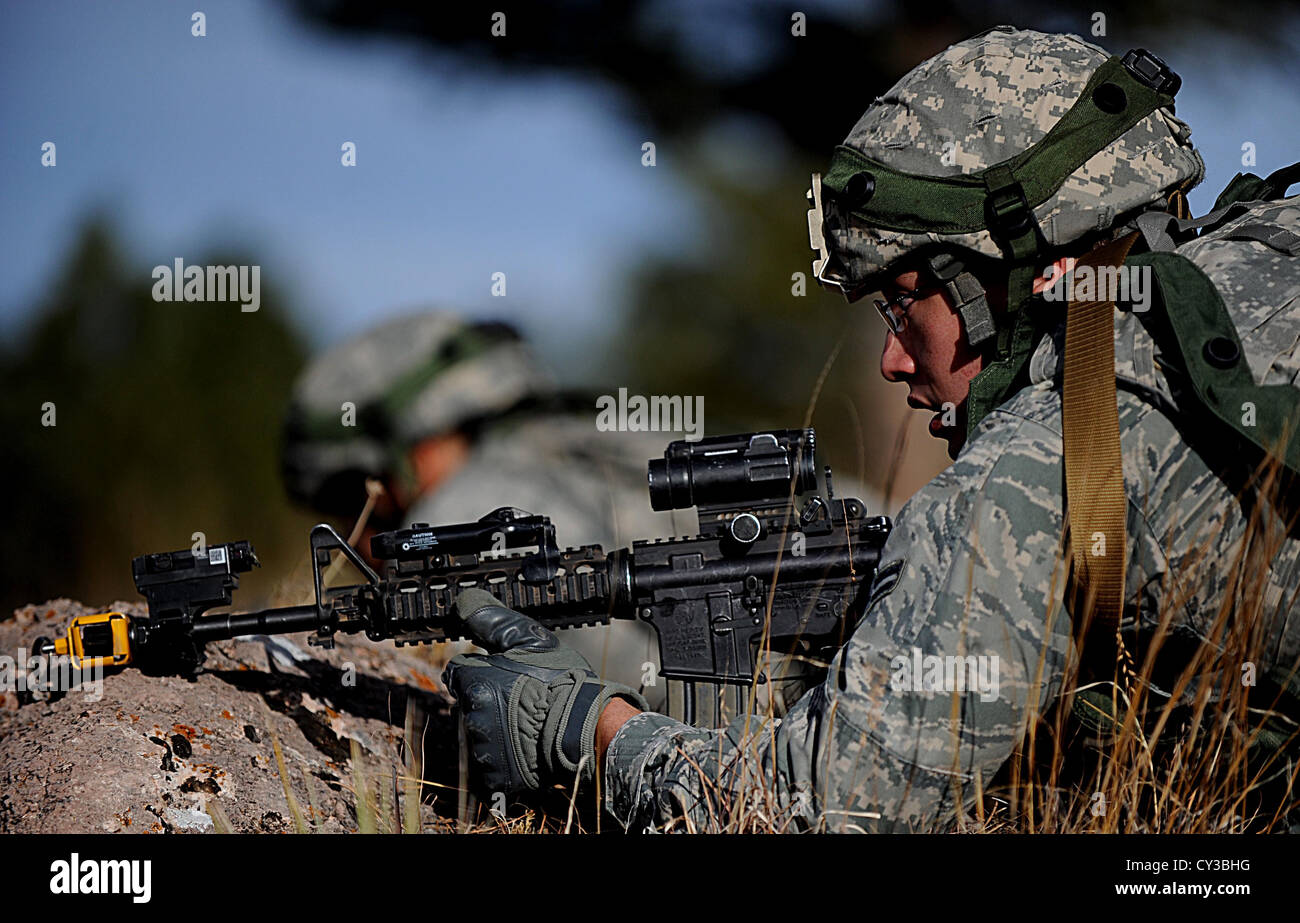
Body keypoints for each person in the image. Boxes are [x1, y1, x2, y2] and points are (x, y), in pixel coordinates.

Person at [441, 26, 1300, 832]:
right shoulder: (1274, 254)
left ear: (1010, 272)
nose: (892, 362)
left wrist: (585, 729)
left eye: (902, 302)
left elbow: (814, 812)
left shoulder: (1029, 470)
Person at [281, 311, 683, 709]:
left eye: (348, 498)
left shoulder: (462, 512)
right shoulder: (598, 441)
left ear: (412, 451)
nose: (352, 536)